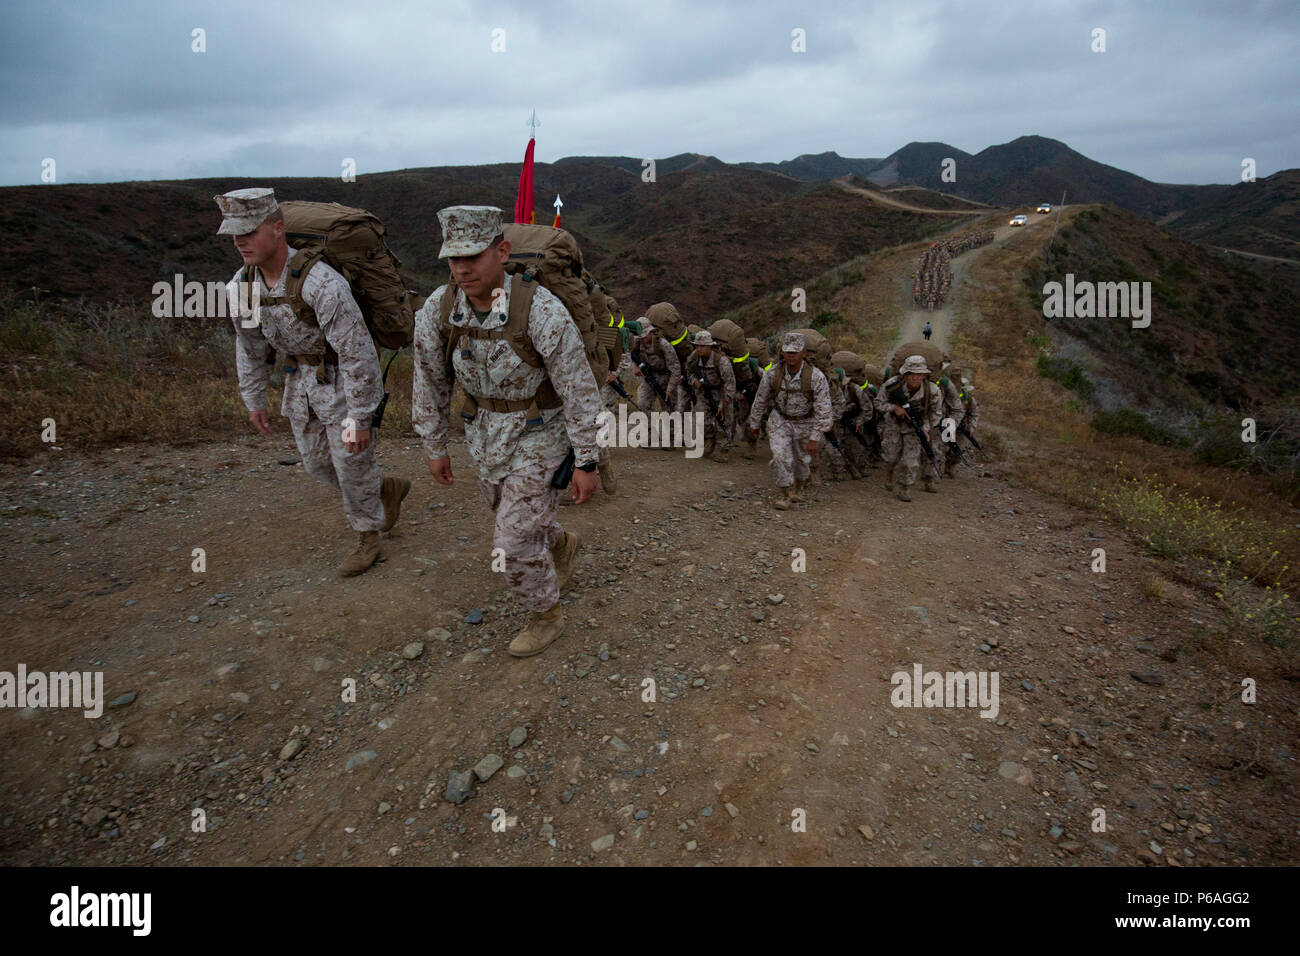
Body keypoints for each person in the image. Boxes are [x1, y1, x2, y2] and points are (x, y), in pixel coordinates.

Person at [411, 205, 603, 658]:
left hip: (541, 433)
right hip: (483, 435)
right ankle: (561, 544)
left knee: (513, 538)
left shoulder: (541, 310)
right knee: (513, 518)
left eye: (473, 256)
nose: (461, 268)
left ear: (501, 251)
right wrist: (434, 446)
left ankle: (545, 614)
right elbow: (429, 380)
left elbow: (579, 390)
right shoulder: (439, 311)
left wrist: (587, 460)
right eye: (453, 258)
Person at [219, 187, 409, 577]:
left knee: (350, 461)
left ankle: (367, 535)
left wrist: (360, 414)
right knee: (317, 464)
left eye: (249, 230)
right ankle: (384, 490)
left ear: (277, 228)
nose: (240, 241)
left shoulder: (322, 284)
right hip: (300, 380)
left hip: (341, 377)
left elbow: (358, 352)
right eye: (234, 233)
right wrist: (253, 398)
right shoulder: (240, 286)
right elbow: (250, 346)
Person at [747, 332, 832, 510]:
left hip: (806, 422)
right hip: (780, 419)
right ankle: (786, 493)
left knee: (802, 459)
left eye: (795, 352)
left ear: (803, 353)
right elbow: (760, 399)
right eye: (788, 352)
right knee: (780, 456)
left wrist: (816, 437)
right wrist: (754, 423)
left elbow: (824, 410)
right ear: (782, 353)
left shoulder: (816, 377)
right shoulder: (772, 374)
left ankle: (800, 486)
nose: (791, 355)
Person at [875, 354, 942, 501]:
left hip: (915, 429)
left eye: (919, 374)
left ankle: (905, 487)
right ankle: (890, 472)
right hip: (893, 425)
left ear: (924, 375)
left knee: (910, 461)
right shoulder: (892, 384)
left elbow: (936, 413)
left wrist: (925, 429)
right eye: (911, 374)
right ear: (905, 374)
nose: (915, 378)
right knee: (891, 456)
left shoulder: (932, 390)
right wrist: (894, 408)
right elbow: (878, 403)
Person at [683, 330, 737, 463]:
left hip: (722, 392)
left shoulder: (722, 361)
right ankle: (709, 441)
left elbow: (730, 384)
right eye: (697, 346)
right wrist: (694, 381)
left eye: (702, 346)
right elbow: (688, 372)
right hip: (703, 392)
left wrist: (722, 404)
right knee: (701, 419)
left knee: (723, 421)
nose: (699, 349)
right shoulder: (693, 358)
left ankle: (723, 449)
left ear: (710, 346)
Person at [629, 318, 682, 416]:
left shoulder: (663, 345)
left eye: (644, 337)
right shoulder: (637, 343)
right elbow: (634, 356)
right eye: (640, 337)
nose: (642, 339)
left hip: (666, 379)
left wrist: (670, 388)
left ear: (651, 332)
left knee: (670, 409)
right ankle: (651, 428)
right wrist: (635, 366)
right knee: (642, 404)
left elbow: (675, 368)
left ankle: (673, 431)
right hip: (648, 377)